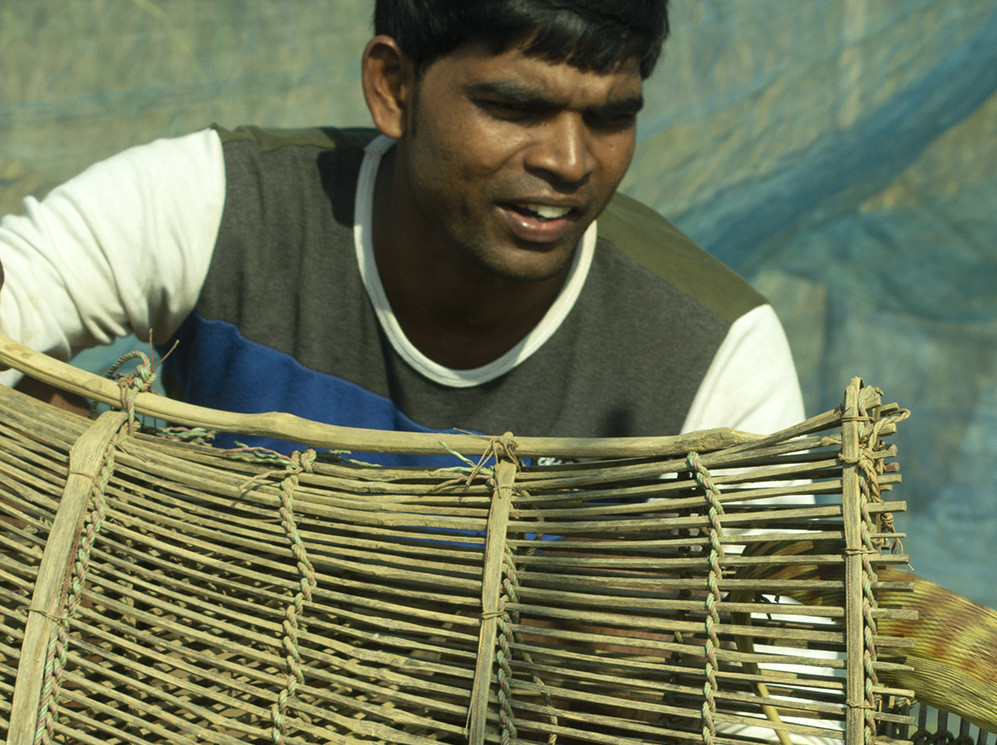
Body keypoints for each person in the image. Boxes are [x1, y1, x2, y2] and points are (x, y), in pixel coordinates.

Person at [0, 0, 803, 461]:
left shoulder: (711, 355)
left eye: (610, 118)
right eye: (515, 107)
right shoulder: (218, 204)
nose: (568, 159)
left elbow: (789, 705)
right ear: (393, 88)